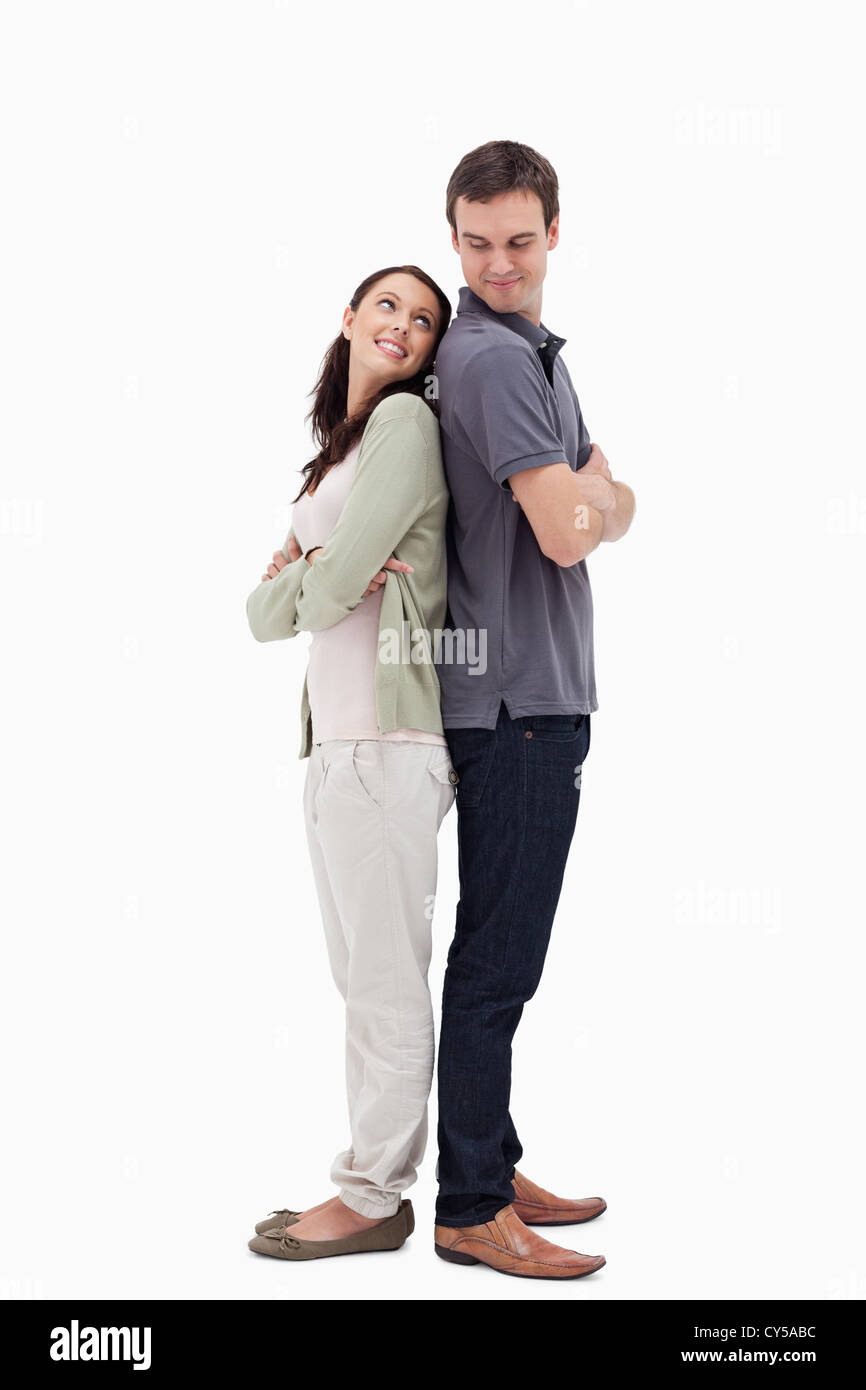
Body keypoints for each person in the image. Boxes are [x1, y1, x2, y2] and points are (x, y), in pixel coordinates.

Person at [431, 141, 636, 1280]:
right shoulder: (494, 361)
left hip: (535, 697)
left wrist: (597, 493)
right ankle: (466, 1203)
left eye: (517, 240)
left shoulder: (532, 351)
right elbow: (575, 521)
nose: (498, 263)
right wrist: (594, 492)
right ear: (451, 234)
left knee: (503, 950)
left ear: (553, 230)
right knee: (497, 960)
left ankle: (491, 1157)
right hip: (512, 703)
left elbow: (614, 498)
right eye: (475, 242)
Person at [244, 266, 457, 1263]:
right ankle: (370, 1175)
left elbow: (310, 593)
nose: (403, 327)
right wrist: (320, 583)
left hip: (387, 738)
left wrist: (315, 583)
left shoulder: (404, 429)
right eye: (387, 306)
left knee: (381, 981)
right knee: (354, 975)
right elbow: (260, 611)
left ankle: (373, 1193)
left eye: (422, 320)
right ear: (348, 316)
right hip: (335, 743)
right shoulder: (337, 452)